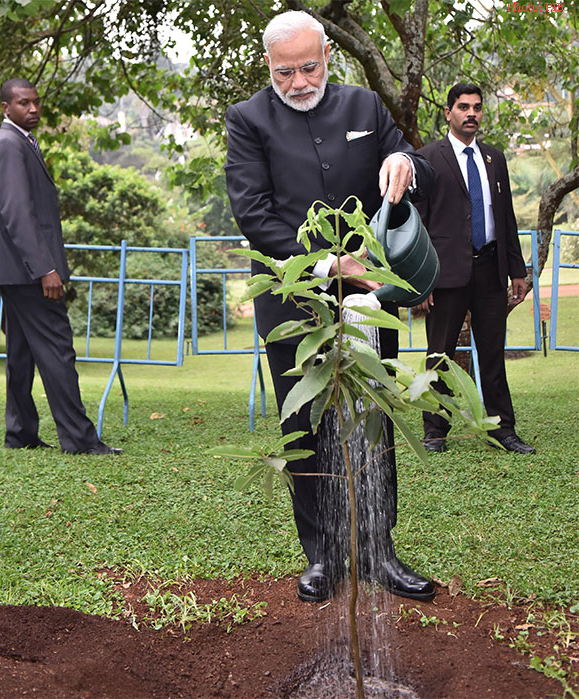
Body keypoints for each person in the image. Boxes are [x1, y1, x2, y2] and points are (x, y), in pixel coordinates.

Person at [224, 11, 435, 603]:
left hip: (370, 299)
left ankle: (379, 551)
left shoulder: (365, 106)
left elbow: (413, 164)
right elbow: (254, 214)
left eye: (309, 67)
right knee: (305, 426)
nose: (298, 82)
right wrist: (328, 263)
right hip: (295, 302)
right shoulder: (246, 121)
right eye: (284, 71)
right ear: (269, 66)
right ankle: (320, 556)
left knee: (373, 419)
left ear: (326, 57)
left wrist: (406, 166)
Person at [0, 78, 121, 455]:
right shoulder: (9, 143)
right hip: (27, 270)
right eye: (24, 104)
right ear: (6, 108)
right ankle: (79, 440)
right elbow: (16, 213)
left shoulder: (16, 139)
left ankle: (20, 433)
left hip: (13, 268)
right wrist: (45, 269)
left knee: (22, 353)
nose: (34, 109)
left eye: (36, 102)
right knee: (58, 349)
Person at [415, 82, 534, 455]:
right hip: (445, 273)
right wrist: (421, 280)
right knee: (440, 356)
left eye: (477, 107)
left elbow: (506, 218)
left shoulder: (494, 158)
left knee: (493, 354)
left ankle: (503, 430)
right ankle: (435, 431)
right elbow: (417, 223)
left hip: (491, 270)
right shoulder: (427, 158)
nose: (471, 114)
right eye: (463, 107)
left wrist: (517, 270)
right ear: (448, 112)